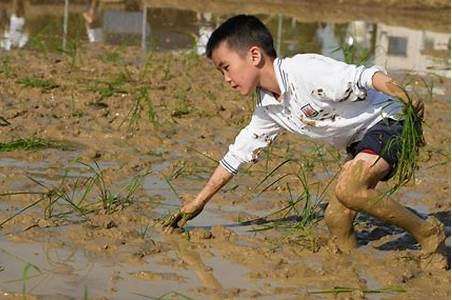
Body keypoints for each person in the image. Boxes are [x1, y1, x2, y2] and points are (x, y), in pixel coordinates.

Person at [159, 15, 445, 261]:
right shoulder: (268, 109)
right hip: (359, 143)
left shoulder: (305, 71)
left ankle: (428, 231)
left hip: (390, 121)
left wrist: (402, 94)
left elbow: (365, 77)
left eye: (226, 67)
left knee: (348, 189)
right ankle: (351, 268)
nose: (226, 79)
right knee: (335, 219)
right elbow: (237, 155)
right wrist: (199, 202)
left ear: (254, 56)